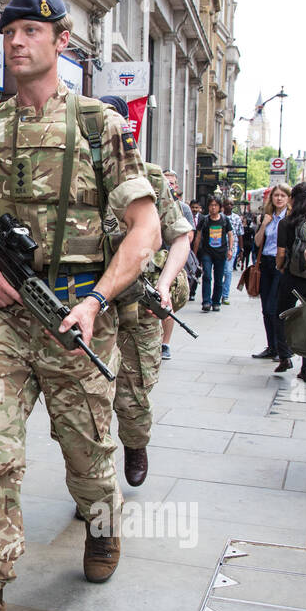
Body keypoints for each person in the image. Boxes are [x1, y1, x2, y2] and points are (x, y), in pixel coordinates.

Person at [0, 0, 160, 611]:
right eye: (9, 32)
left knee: (89, 457)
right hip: (0, 320)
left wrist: (96, 300)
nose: (16, 43)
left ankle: (101, 521)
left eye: (32, 31)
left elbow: (145, 229)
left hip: (71, 317)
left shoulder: (100, 127)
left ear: (63, 41)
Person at [112, 159, 192, 486]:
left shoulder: (150, 176)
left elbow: (181, 238)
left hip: (138, 304)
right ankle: (92, 482)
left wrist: (163, 285)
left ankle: (135, 443)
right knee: (86, 400)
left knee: (134, 393)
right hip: (87, 302)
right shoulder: (73, 169)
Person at [274, 182, 306, 381]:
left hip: (292, 277)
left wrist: (281, 267)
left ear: (293, 199)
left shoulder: (287, 222)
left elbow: (281, 253)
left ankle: (285, 356)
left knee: (281, 314)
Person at [251, 184, 291, 359]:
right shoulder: (266, 218)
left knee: (274, 308)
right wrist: (264, 225)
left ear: (288, 198)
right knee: (266, 309)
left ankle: (282, 349)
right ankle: (271, 347)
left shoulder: (290, 218)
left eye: (283, 195)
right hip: (265, 263)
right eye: (276, 195)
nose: (279, 198)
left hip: (281, 264)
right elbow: (258, 243)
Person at [162, 171, 196, 359]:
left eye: (172, 183)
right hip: (151, 260)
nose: (169, 185)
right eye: (166, 182)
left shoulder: (183, 209)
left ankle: (165, 343)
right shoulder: (150, 204)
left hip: (172, 262)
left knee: (168, 302)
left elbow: (188, 236)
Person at [193, 196, 230, 311]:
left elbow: (230, 234)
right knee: (207, 276)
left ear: (219, 207)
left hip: (221, 253)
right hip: (207, 252)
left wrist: (231, 249)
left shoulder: (224, 219)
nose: (213, 207)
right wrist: (194, 254)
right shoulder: (204, 220)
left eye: (215, 205)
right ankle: (206, 302)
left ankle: (216, 301)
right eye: (211, 205)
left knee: (219, 279)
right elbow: (198, 237)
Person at [223, 202, 243, 303]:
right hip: (219, 248)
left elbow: (240, 234)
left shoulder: (237, 218)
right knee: (221, 271)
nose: (229, 206)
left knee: (228, 271)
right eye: (227, 204)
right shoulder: (220, 217)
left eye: (231, 204)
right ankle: (218, 292)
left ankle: (225, 295)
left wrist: (241, 249)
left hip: (233, 247)